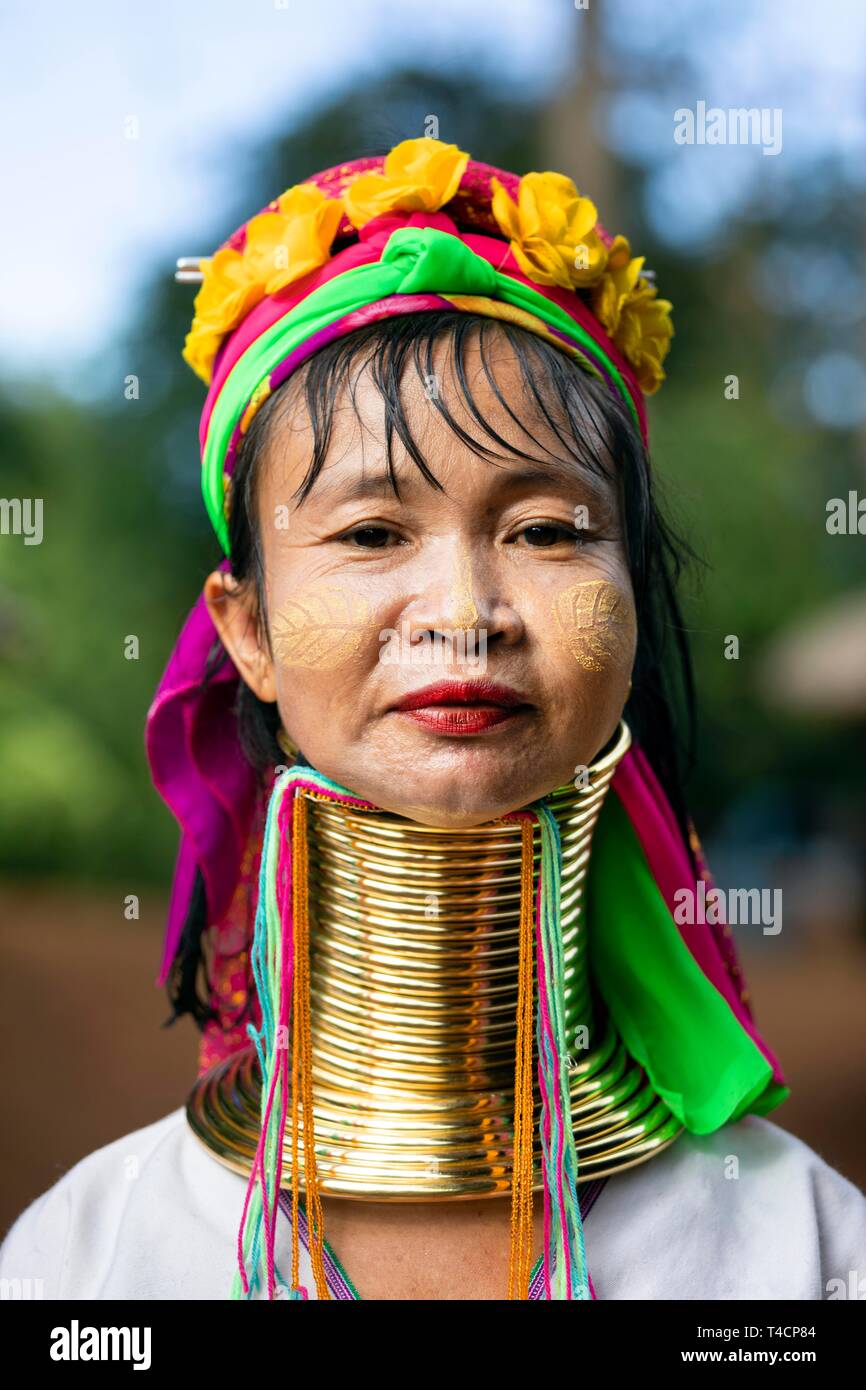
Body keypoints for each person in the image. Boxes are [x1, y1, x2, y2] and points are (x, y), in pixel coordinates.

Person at [3, 139, 865, 1301]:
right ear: (246, 630)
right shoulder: (82, 1263)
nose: (465, 617)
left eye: (548, 531)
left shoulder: (803, 1255)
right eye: (369, 534)